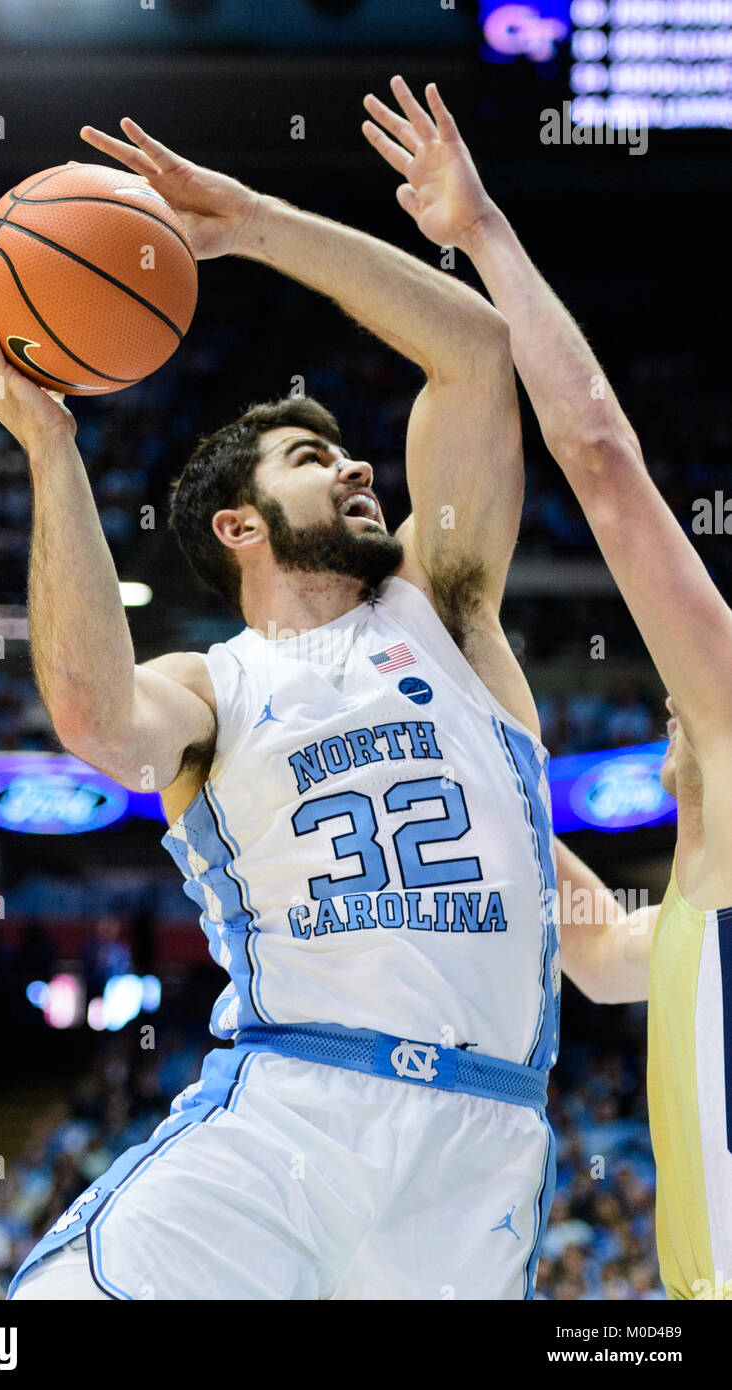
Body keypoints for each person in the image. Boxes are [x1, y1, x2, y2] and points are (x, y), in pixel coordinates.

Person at [0, 82, 559, 1301]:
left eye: (348, 450)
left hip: (483, 1149)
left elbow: (477, 352)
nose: (351, 463)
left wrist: (253, 225)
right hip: (291, 1113)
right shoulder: (215, 686)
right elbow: (97, 722)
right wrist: (51, 449)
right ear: (238, 524)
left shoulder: (447, 613)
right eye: (309, 456)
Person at [362, 76, 732, 1300]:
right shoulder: (681, 913)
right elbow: (589, 950)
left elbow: (603, 462)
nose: (668, 707)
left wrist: (482, 234)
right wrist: (441, 650)